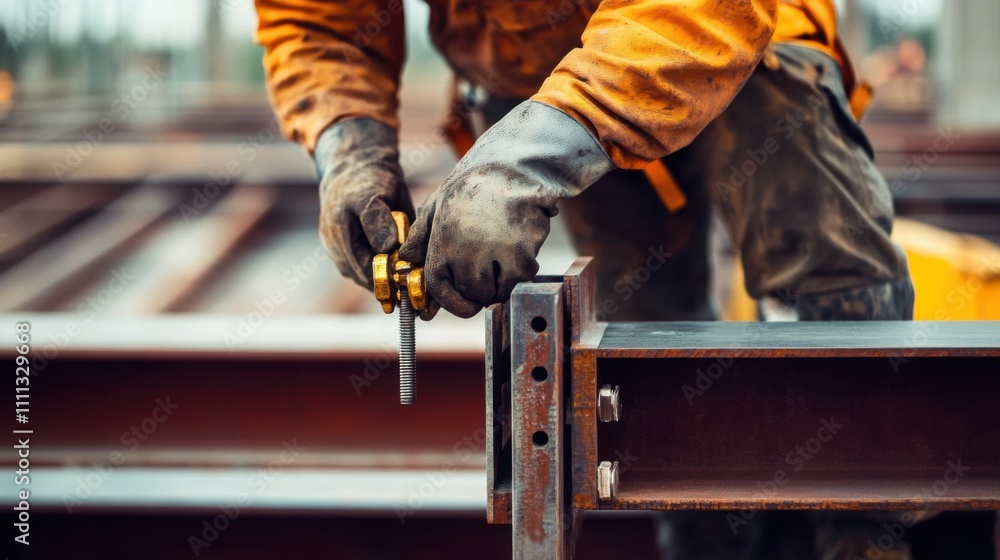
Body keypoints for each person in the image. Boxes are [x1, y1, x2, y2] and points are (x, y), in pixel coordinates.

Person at [255, 0, 916, 557]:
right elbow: (318, 18)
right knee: (646, 346)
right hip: (544, 80)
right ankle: (701, 540)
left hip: (735, 33)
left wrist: (528, 158)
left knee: (821, 270)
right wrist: (348, 146)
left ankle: (865, 532)